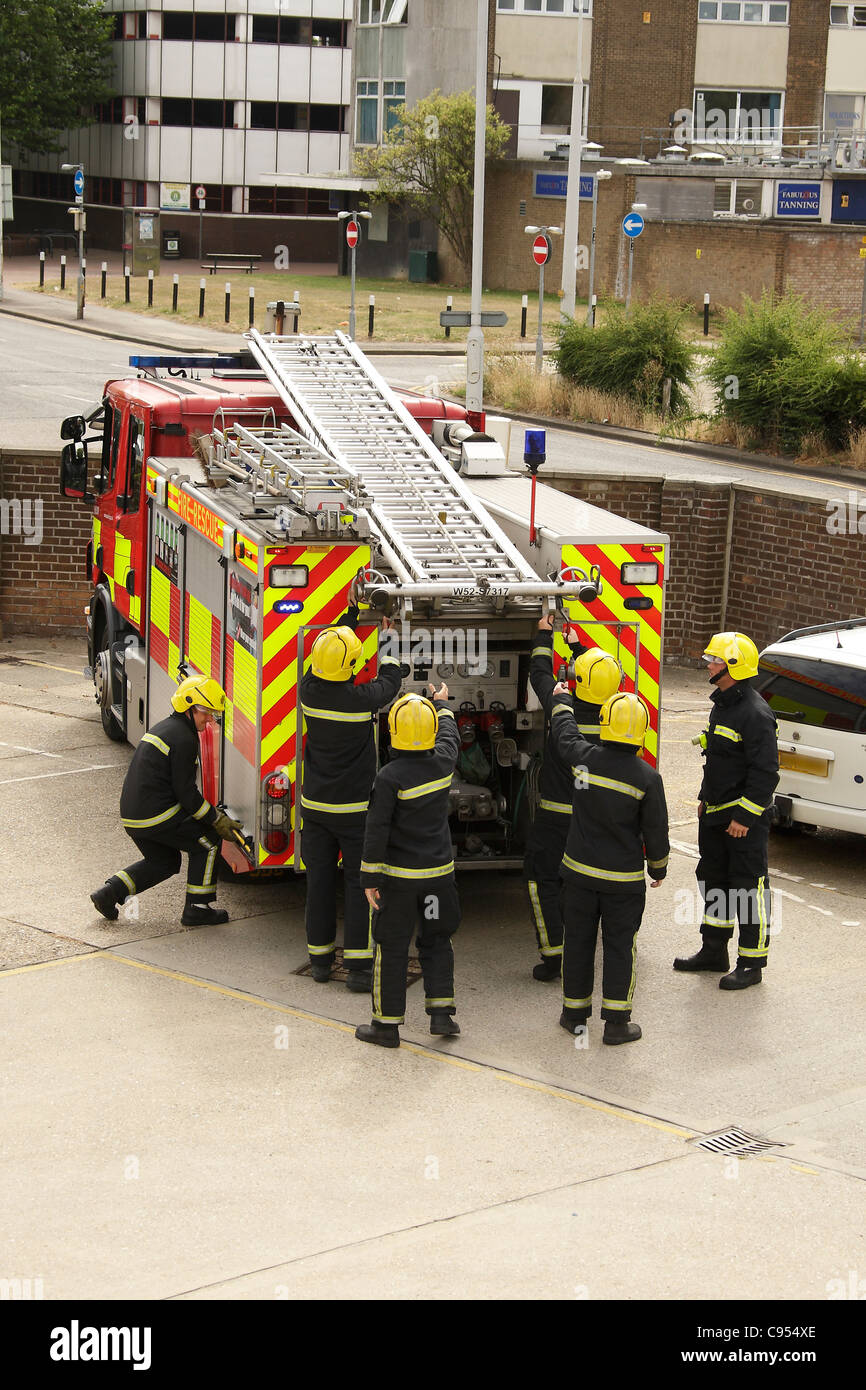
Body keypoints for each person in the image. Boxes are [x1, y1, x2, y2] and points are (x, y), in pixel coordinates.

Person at [549, 688, 670, 1045]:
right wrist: (658, 869)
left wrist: (562, 701)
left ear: (604, 726)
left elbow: (565, 735)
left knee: (578, 944)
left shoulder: (584, 760)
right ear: (642, 732)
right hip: (622, 884)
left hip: (579, 876)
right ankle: (616, 1024)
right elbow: (656, 830)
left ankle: (574, 1016)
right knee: (620, 948)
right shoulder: (648, 778)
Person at [300, 600, 404, 991]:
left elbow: (328, 658)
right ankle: (359, 969)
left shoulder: (310, 689)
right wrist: (389, 637)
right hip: (356, 813)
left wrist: (352, 618)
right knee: (361, 887)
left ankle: (320, 962)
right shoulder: (361, 700)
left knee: (320, 885)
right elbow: (390, 682)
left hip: (316, 811)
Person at [90, 675, 243, 925]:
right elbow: (186, 794)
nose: (209, 718)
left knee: (164, 862)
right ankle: (197, 909)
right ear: (189, 707)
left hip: (134, 815)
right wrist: (216, 819)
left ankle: (108, 893)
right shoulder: (184, 738)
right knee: (208, 842)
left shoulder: (167, 728)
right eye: (205, 711)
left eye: (211, 712)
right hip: (156, 814)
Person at [356, 686, 461, 1049]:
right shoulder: (444, 762)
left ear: (393, 732)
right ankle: (442, 1013)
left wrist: (369, 876)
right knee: (437, 940)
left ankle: (386, 1027)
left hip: (399, 883)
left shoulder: (389, 776)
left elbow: (376, 829)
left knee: (392, 946)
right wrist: (443, 703)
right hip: (438, 880)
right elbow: (450, 736)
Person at [674, 631, 778, 990]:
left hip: (741, 821)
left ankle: (751, 963)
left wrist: (744, 818)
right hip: (716, 813)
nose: (709, 664)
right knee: (714, 880)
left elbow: (766, 774)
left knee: (749, 889)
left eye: (714, 660)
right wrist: (705, 798)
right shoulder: (723, 703)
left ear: (732, 666)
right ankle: (714, 950)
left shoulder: (755, 713)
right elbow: (716, 757)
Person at [526, 613, 622, 981]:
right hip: (598, 818)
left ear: (578, 683)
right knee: (580, 886)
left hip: (557, 819)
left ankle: (554, 955)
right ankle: (580, 953)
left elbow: (539, 674)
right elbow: (599, 678)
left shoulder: (562, 707)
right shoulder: (620, 714)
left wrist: (544, 637)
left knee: (542, 879)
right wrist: (578, 644)